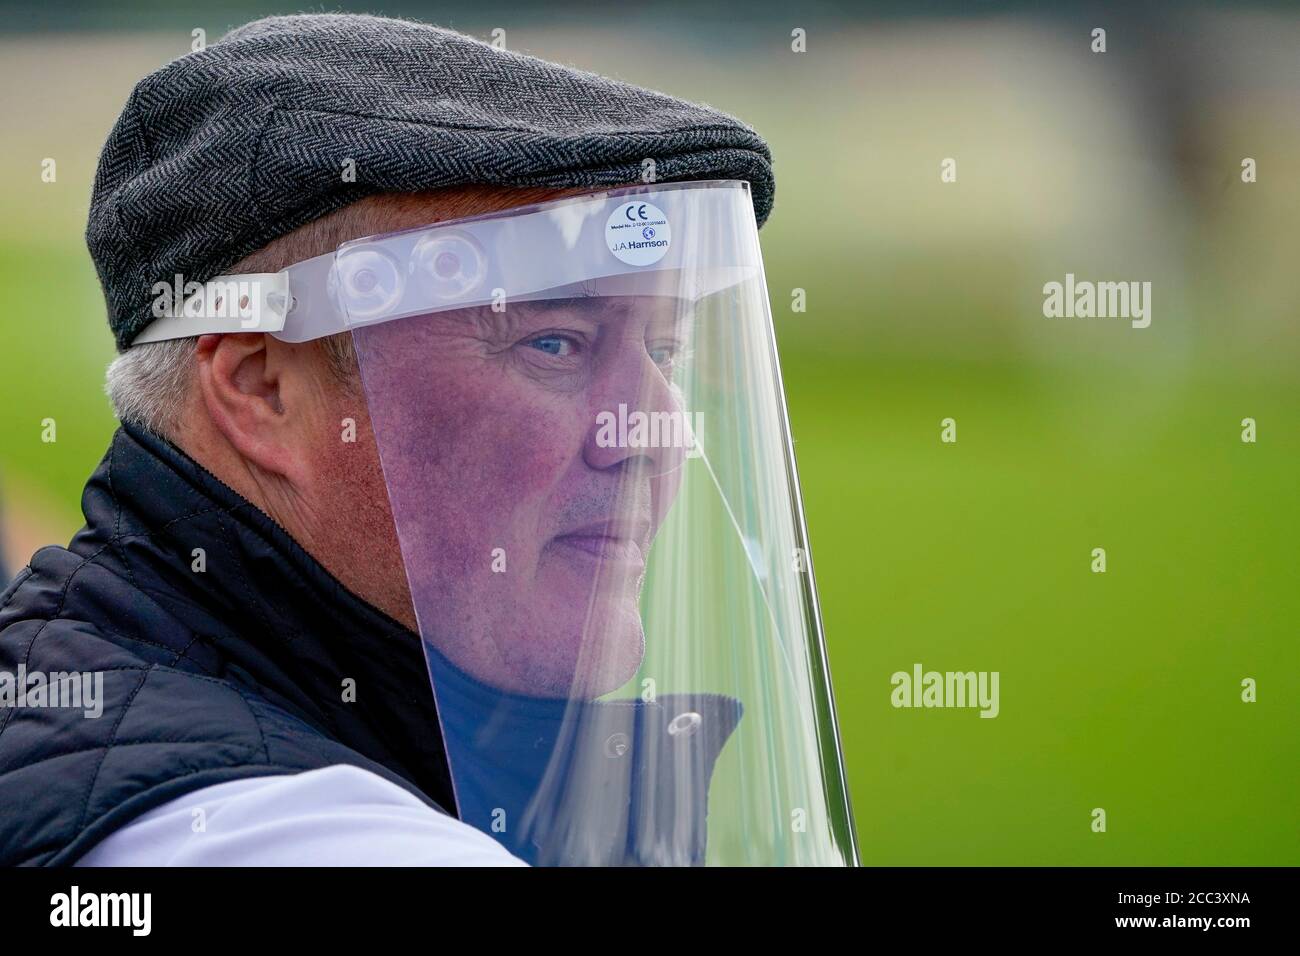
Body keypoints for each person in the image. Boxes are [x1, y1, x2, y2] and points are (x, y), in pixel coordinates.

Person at [0, 14, 858, 867]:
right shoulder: (250, 836)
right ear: (261, 387)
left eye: (665, 349)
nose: (656, 430)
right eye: (555, 343)